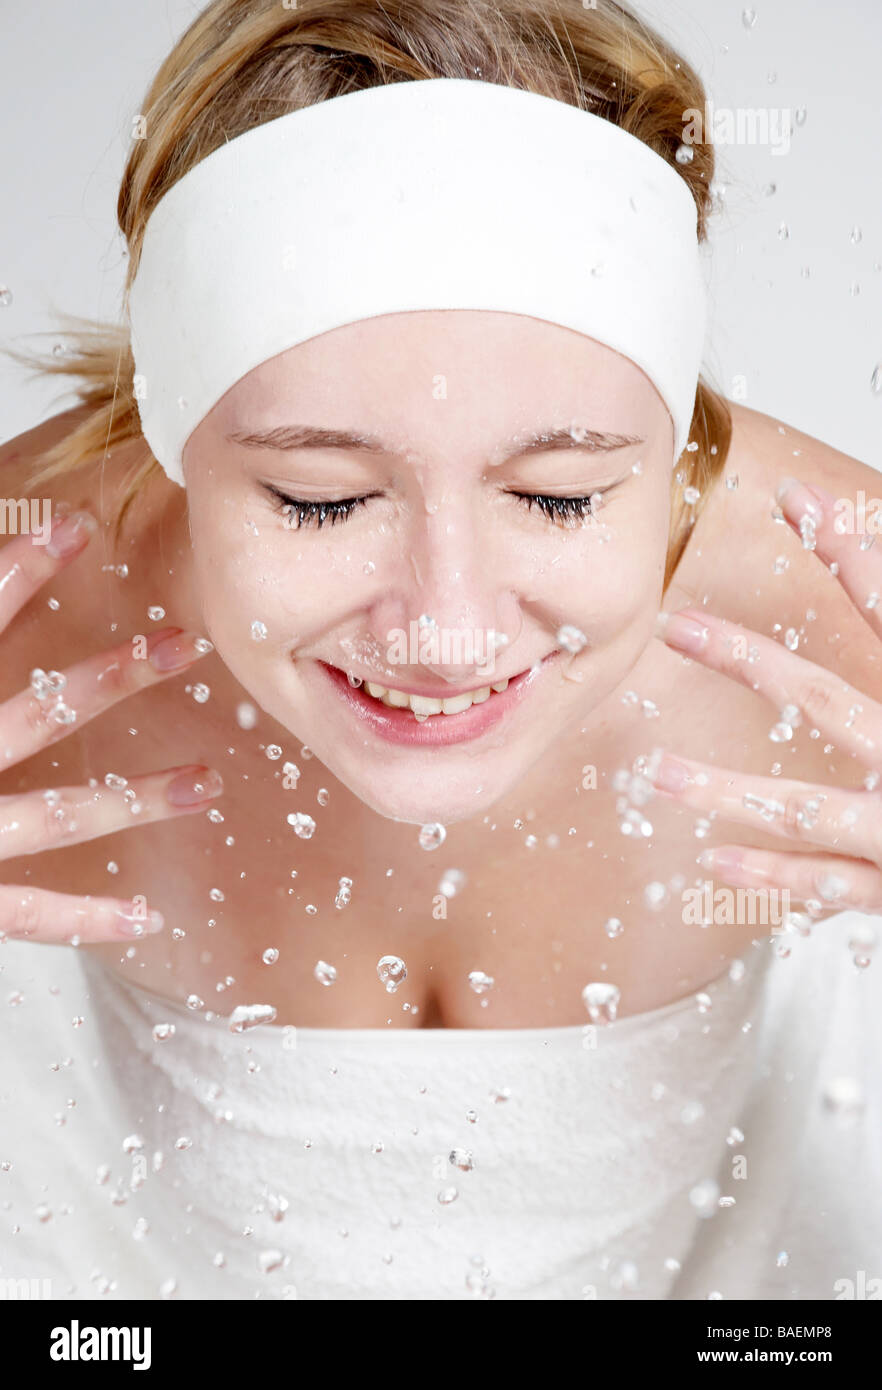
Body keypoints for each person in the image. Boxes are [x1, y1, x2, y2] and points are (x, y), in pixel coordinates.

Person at [0, 0, 879, 1302]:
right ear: (177, 431)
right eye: (321, 498)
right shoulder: (30, 600)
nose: (444, 625)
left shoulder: (838, 603)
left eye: (560, 496)